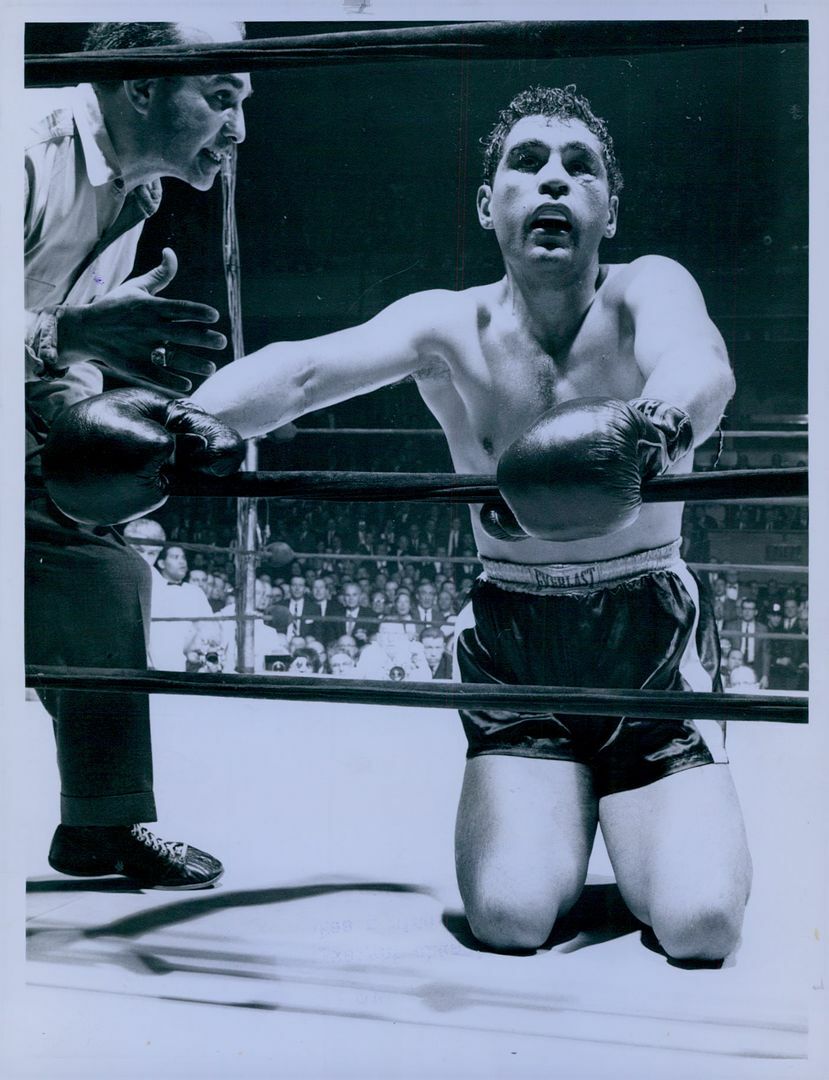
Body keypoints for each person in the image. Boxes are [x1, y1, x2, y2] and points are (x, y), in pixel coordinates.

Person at [47, 85, 751, 959]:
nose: (553, 180)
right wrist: (183, 422)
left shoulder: (649, 287)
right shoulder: (447, 324)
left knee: (699, 927)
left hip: (646, 640)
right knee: (509, 920)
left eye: (580, 167)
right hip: (515, 645)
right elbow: (304, 371)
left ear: (610, 210)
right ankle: (579, 814)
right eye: (527, 162)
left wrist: (655, 426)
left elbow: (699, 363)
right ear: (487, 204)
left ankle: (644, 815)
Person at [25, 21, 251, 888]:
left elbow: (62, 355)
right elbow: (59, 331)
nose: (237, 130)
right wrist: (69, 334)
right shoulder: (27, 147)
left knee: (103, 568)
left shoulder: (134, 194)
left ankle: (101, 822)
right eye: (221, 98)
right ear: (142, 87)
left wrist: (110, 406)